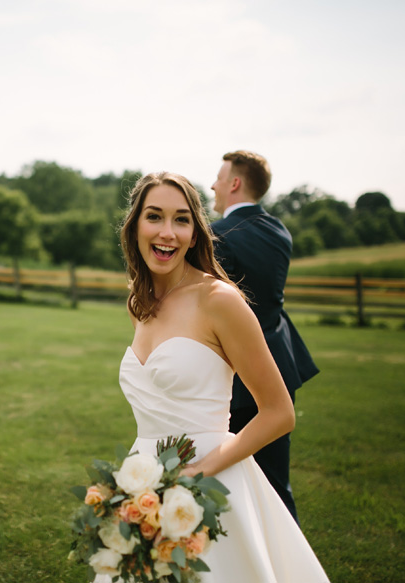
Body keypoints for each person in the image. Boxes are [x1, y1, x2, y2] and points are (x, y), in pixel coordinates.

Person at [95, 171, 327, 582]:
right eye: (155, 216)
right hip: (142, 484)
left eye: (181, 219)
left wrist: (197, 473)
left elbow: (279, 412)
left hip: (211, 481)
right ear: (134, 227)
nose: (168, 232)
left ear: (196, 232)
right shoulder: (141, 303)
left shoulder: (220, 301)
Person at [209, 150, 319, 523]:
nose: (213, 185)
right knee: (275, 480)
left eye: (220, 178)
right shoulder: (278, 231)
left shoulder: (219, 235)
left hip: (236, 375)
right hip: (281, 363)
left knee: (228, 477)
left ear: (235, 183)